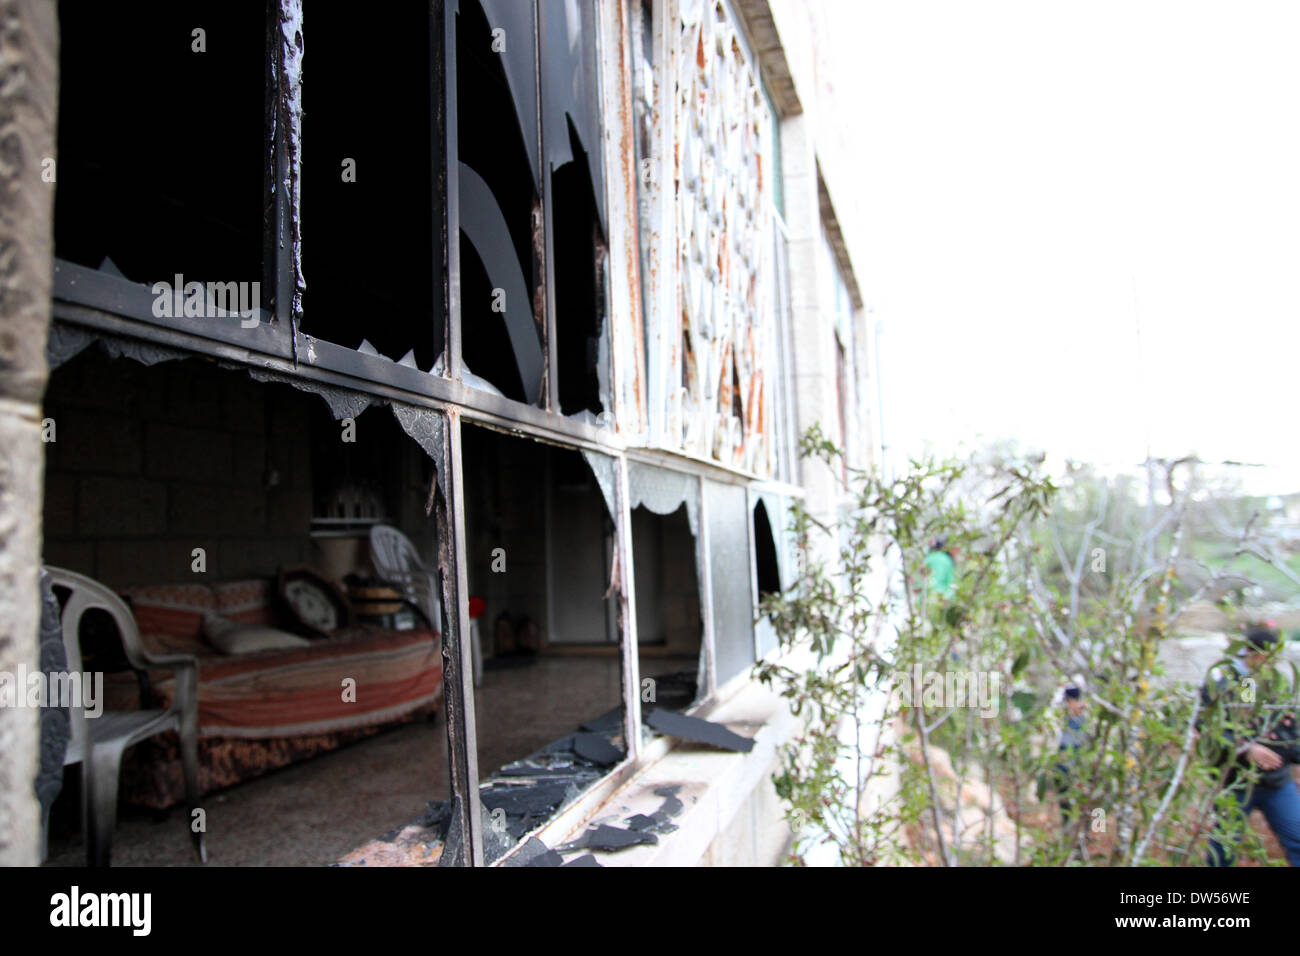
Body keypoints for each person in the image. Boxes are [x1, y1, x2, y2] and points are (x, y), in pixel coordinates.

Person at [1202, 626, 1300, 867]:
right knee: (1223, 849)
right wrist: (1247, 749)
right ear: (1252, 653)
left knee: (1297, 840)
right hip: (1235, 783)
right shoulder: (1223, 685)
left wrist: (1286, 752)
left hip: (1276, 782)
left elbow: (1290, 732)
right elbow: (1210, 732)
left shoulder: (1278, 686)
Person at [1054, 685, 1086, 826]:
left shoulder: (1087, 720)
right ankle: (1068, 825)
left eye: (1069, 701)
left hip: (1082, 766)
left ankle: (1095, 831)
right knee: (1064, 797)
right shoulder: (1064, 718)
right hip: (1064, 765)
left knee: (1090, 802)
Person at [924, 536, 957, 601]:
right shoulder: (947, 560)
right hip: (942, 596)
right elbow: (951, 581)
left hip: (928, 596)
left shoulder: (927, 558)